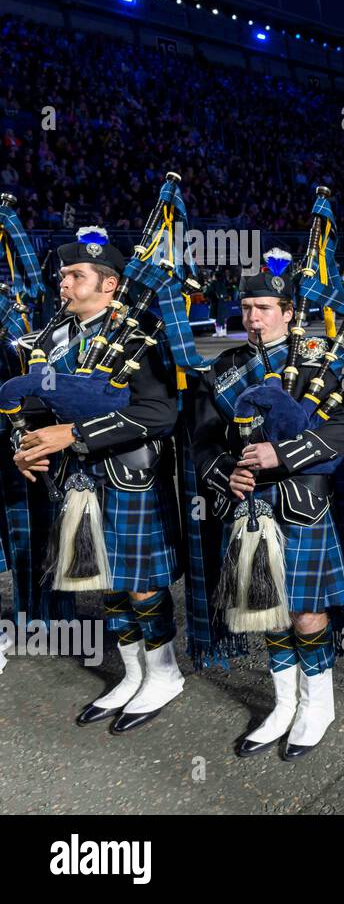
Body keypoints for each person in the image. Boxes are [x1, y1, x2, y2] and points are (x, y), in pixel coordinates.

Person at [10, 228, 184, 732]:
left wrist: (77, 434)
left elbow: (159, 411)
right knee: (105, 581)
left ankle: (165, 673)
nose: (63, 283)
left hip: (128, 475)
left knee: (142, 586)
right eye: (63, 275)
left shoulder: (142, 334)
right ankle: (132, 675)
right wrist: (25, 449)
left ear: (108, 284)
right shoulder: (50, 337)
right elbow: (33, 407)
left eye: (75, 276)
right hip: (74, 480)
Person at [189, 272, 344, 759]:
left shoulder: (323, 357)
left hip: (301, 497)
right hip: (248, 503)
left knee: (306, 611)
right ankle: (284, 704)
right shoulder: (222, 367)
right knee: (267, 606)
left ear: (288, 313)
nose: (253, 318)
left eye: (264, 308)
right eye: (246, 309)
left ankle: (318, 705)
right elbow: (202, 437)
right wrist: (225, 473)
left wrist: (282, 455)